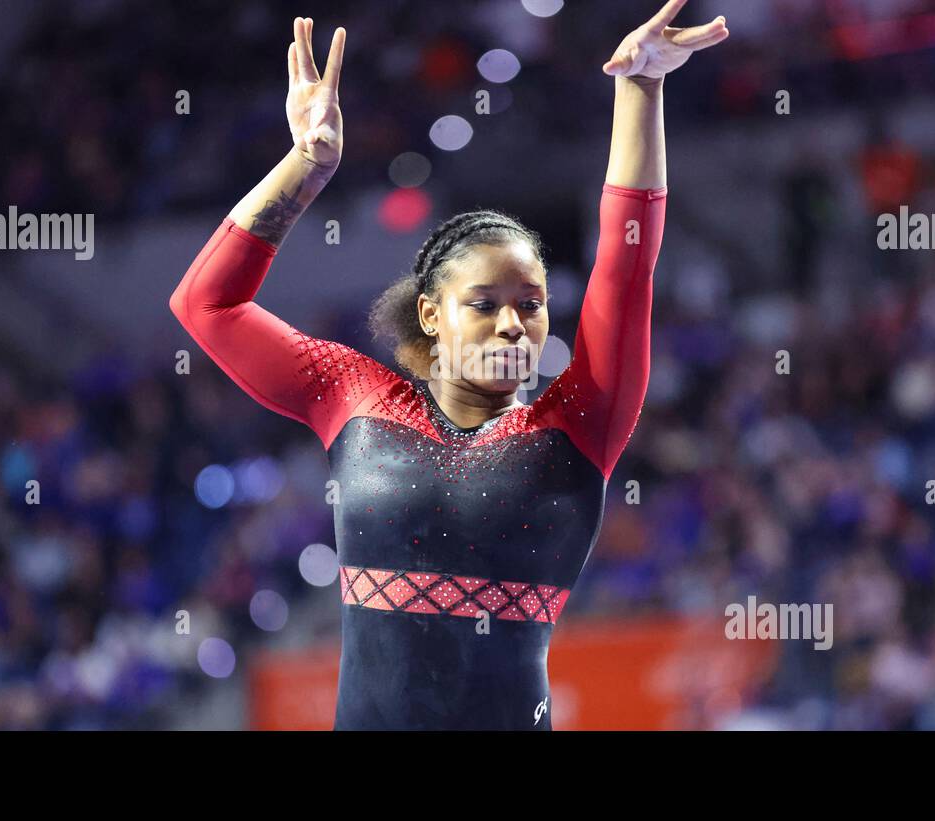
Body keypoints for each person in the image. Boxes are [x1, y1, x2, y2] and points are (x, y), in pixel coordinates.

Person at [170, 3, 729, 729]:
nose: (512, 322)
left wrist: (641, 89)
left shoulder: (581, 423)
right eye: (485, 301)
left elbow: (626, 268)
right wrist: (305, 167)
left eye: (531, 303)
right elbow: (206, 305)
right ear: (432, 314)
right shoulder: (355, 397)